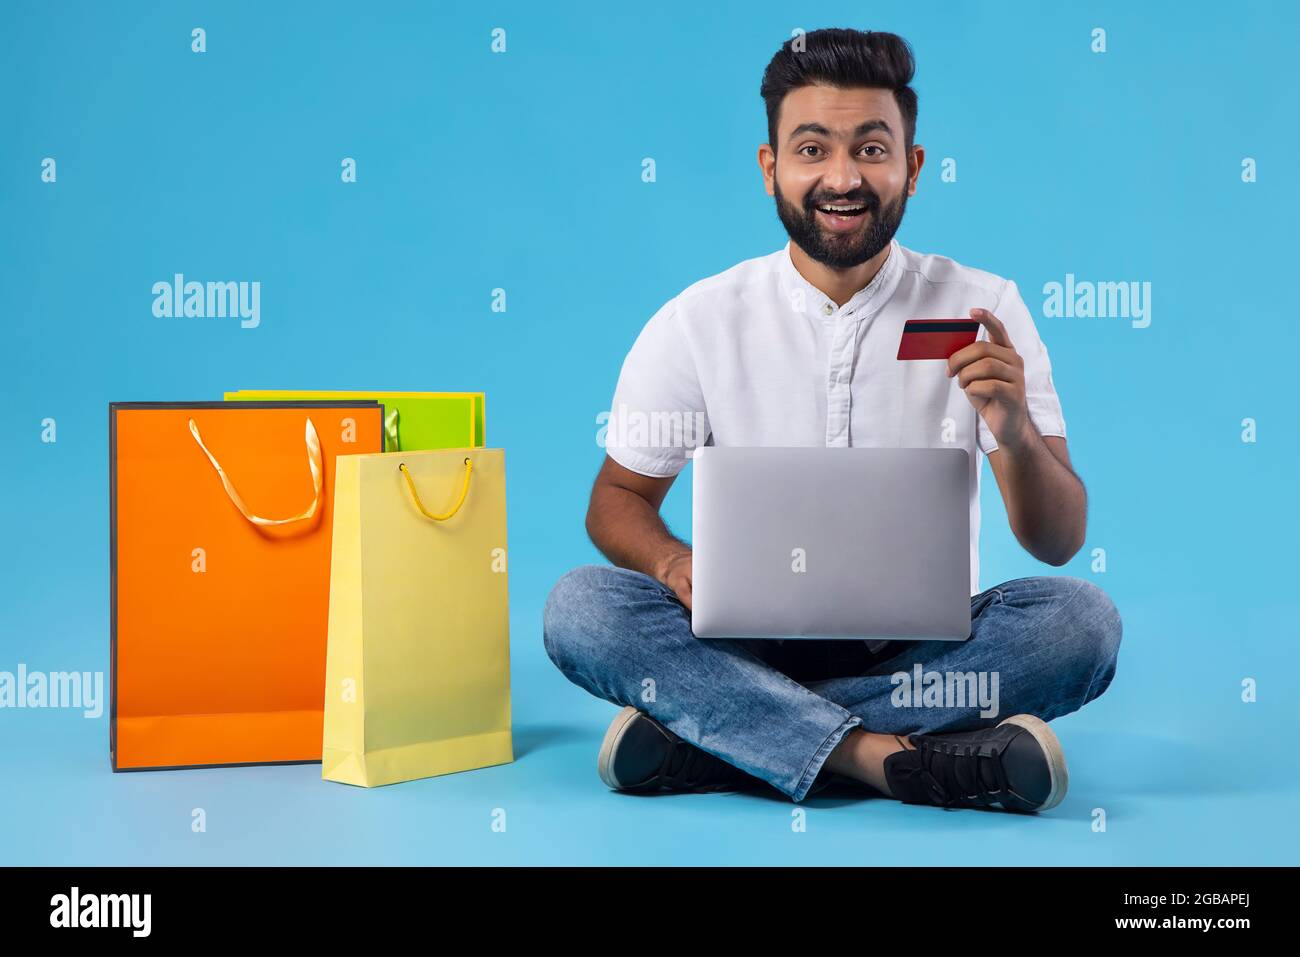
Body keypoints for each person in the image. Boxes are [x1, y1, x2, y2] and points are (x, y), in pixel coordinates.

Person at [542, 28, 1122, 813]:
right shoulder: (697, 320)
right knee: (581, 607)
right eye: (812, 149)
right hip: (738, 642)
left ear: (912, 169)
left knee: (1081, 626)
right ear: (770, 167)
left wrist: (1014, 431)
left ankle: (717, 735)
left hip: (922, 655)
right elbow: (615, 501)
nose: (842, 178)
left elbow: (1058, 540)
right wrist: (678, 566)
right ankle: (880, 756)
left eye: (871, 149)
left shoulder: (985, 307)